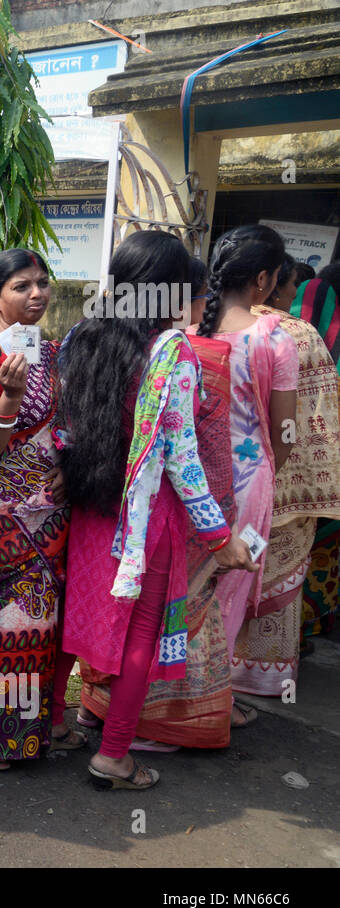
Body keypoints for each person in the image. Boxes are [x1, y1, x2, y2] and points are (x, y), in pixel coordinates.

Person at [60, 230, 257, 790]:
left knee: (81, 617)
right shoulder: (172, 353)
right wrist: (221, 538)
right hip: (145, 520)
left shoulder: (83, 335)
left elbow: (69, 427)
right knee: (140, 635)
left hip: (91, 506)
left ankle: (55, 723)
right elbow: (181, 458)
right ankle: (114, 755)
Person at [0, 249, 84, 768]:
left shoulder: (54, 354)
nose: (36, 295)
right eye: (21, 286)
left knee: (35, 623)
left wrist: (72, 471)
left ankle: (26, 735)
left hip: (48, 508)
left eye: (42, 283)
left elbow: (71, 426)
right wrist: (6, 398)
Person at [195, 225, 298, 716]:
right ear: (263, 280)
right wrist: (265, 465)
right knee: (229, 595)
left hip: (189, 484)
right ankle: (210, 702)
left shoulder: (190, 331)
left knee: (184, 591)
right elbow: (285, 434)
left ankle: (162, 701)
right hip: (249, 483)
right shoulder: (275, 340)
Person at [233, 258, 340, 695]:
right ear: (272, 283)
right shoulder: (297, 334)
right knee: (270, 574)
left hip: (218, 487)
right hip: (282, 486)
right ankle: (259, 677)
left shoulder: (205, 327)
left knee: (218, 581)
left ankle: (206, 679)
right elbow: (318, 419)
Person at [293, 264, 340, 639]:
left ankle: (302, 623)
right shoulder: (318, 293)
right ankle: (308, 622)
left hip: (311, 438)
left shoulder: (315, 293)